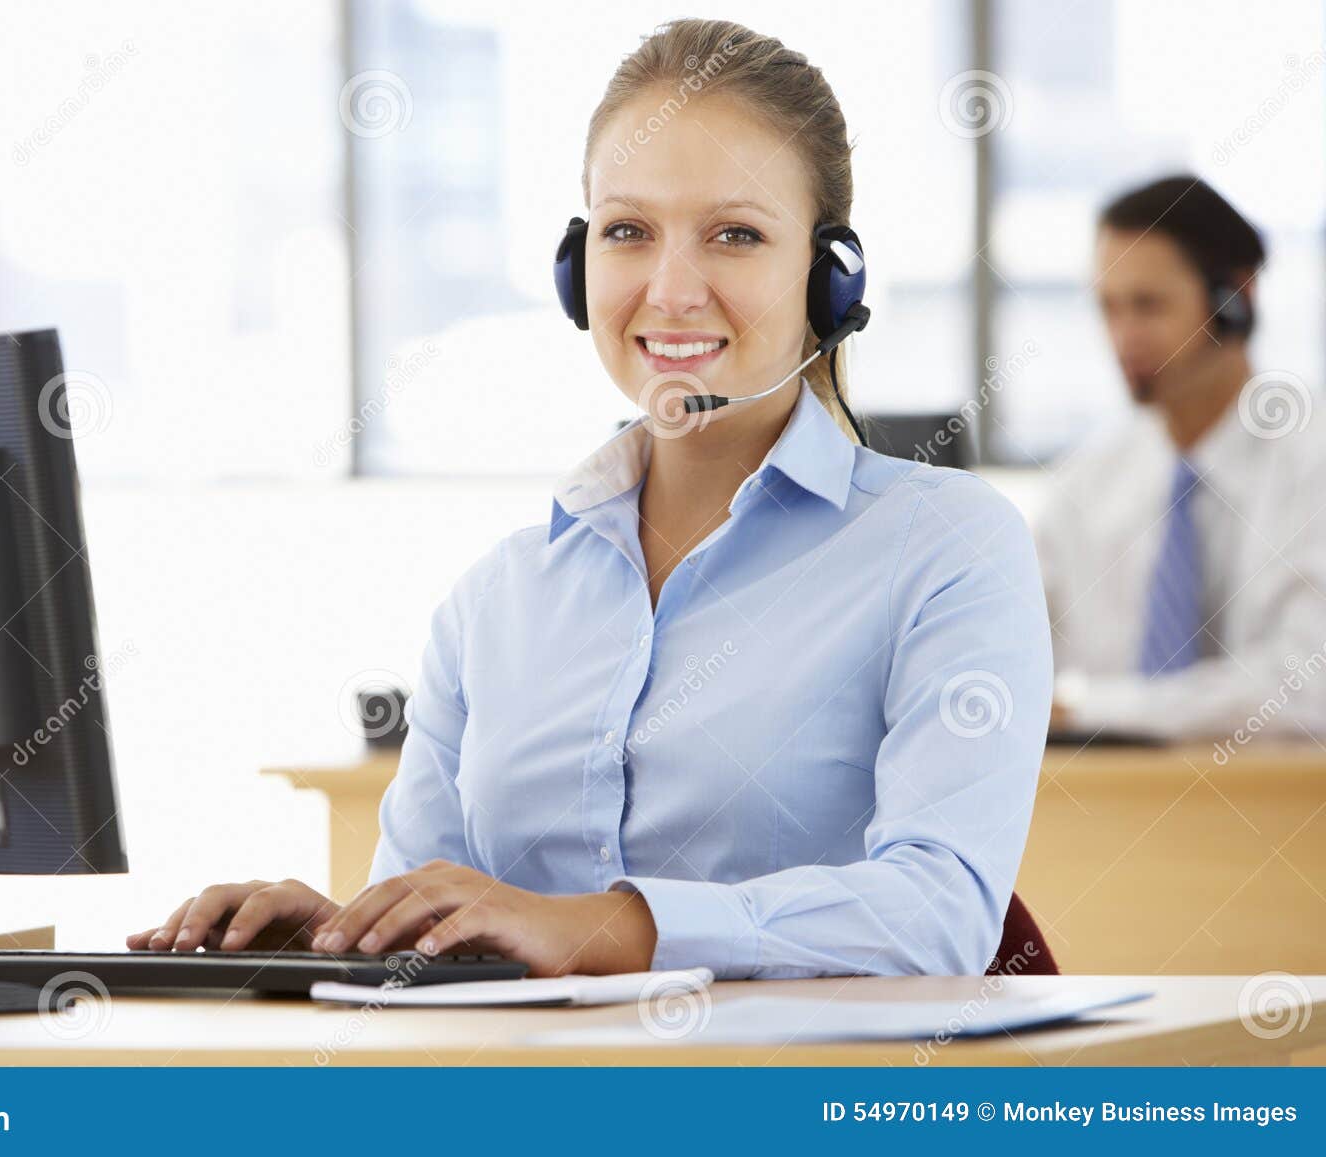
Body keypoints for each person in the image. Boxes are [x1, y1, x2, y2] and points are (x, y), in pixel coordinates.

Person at [127, 18, 1052, 978]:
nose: (672, 287)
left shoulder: (945, 546)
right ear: (577, 270)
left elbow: (939, 914)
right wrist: (339, 939)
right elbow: (442, 922)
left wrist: (602, 929)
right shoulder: (498, 600)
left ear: (828, 278)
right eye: (627, 232)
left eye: (735, 235)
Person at [1039, 175, 1326, 741]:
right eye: (1108, 308)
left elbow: (1307, 690)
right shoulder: (1087, 483)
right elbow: (1010, 652)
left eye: (1147, 305)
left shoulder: (1311, 466)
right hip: (1109, 814)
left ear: (1235, 299)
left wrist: (1096, 710)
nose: (1123, 338)